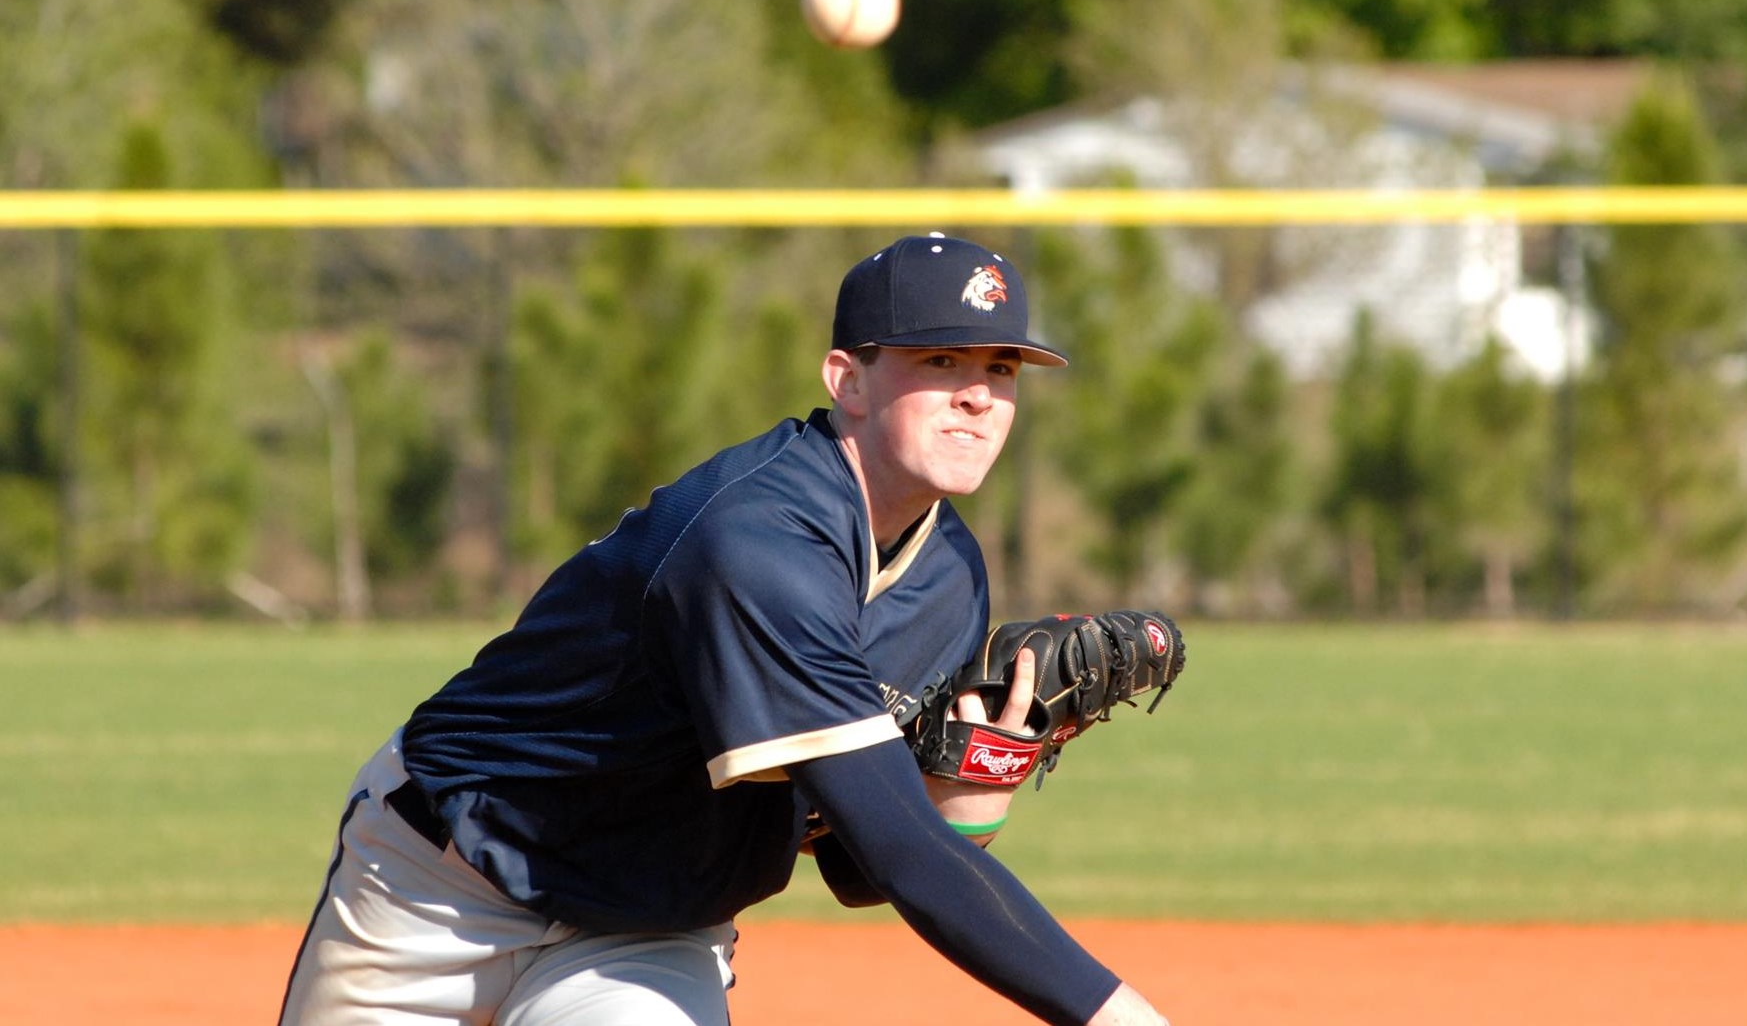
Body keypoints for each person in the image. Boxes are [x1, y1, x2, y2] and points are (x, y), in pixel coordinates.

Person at [279, 233, 1169, 1025]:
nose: (976, 396)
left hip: (645, 935)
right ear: (846, 380)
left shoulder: (948, 576)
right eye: (940, 361)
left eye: (1000, 370)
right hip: (441, 889)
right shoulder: (756, 540)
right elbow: (903, 858)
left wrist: (983, 767)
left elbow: (860, 869)